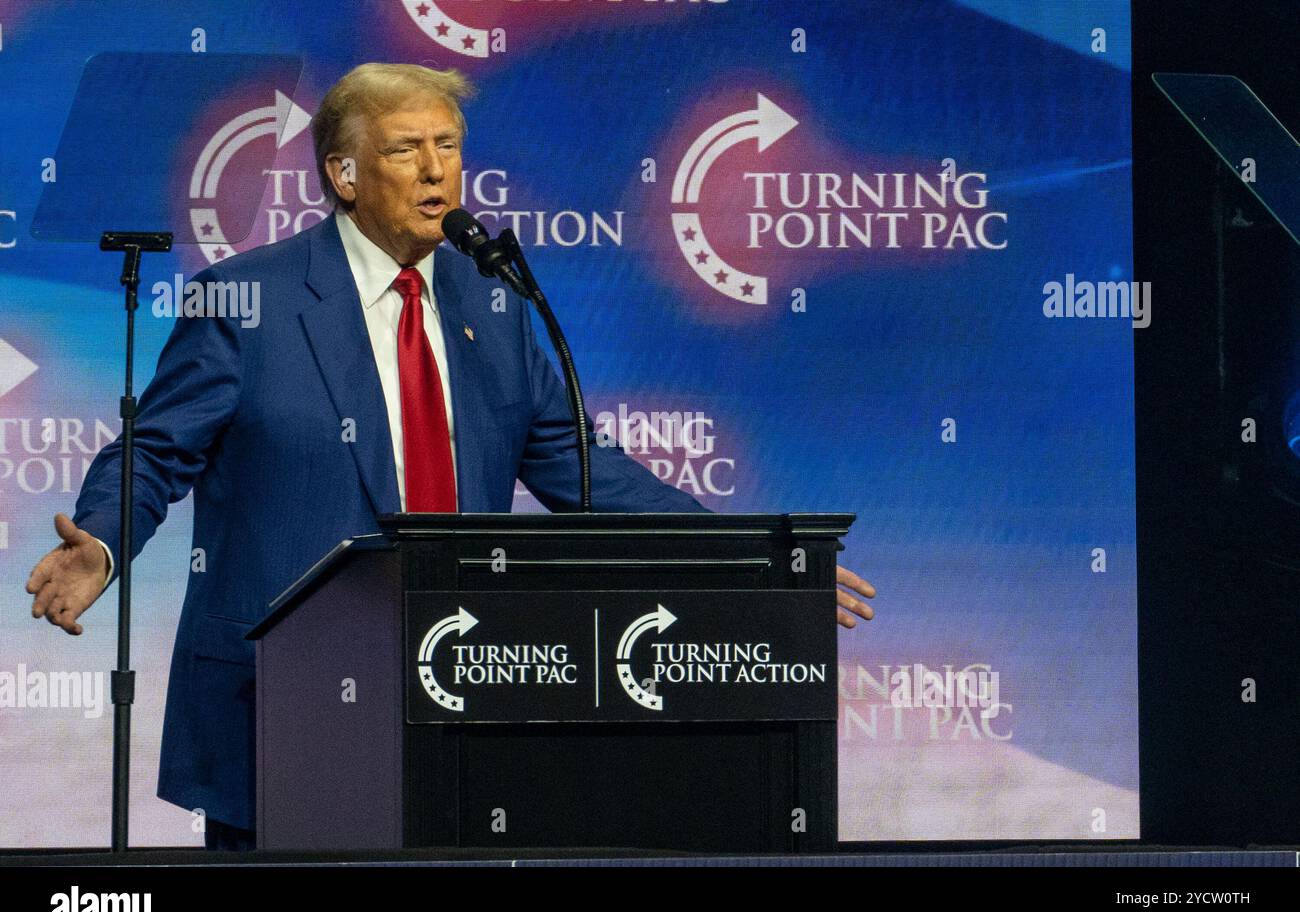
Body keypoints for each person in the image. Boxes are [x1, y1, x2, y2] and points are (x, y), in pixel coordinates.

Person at [25, 63, 876, 850]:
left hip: (465, 693)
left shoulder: (494, 304)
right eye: (406, 149)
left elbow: (586, 475)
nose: (437, 170)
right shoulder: (245, 300)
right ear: (344, 176)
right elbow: (155, 450)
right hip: (286, 707)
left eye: (449, 147)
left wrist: (755, 565)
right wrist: (98, 543)